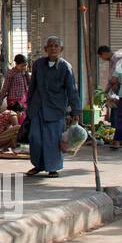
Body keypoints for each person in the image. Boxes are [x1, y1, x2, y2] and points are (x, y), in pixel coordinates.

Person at [26, 35, 80, 177]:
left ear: (61, 49)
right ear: (45, 49)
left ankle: (53, 167)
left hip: (56, 109)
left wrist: (76, 110)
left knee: (52, 140)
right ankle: (38, 165)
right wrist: (29, 106)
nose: (53, 48)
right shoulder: (38, 64)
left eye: (56, 46)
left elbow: (72, 90)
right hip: (38, 108)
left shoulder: (65, 67)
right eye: (50, 46)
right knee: (35, 138)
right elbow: (32, 87)